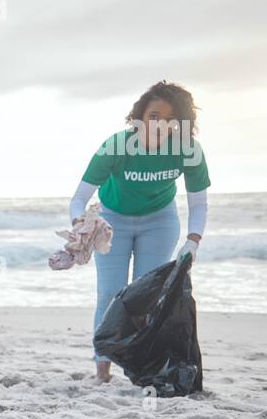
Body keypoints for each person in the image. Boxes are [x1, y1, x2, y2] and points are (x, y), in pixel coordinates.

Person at [69, 80, 211, 383]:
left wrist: (193, 241)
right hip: (112, 221)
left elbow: (198, 204)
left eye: (171, 120)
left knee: (146, 298)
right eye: (154, 116)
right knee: (110, 293)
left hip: (159, 222)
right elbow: (79, 199)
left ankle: (140, 368)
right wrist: (80, 224)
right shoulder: (117, 146)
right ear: (140, 117)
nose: (160, 125)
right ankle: (102, 369)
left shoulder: (188, 150)